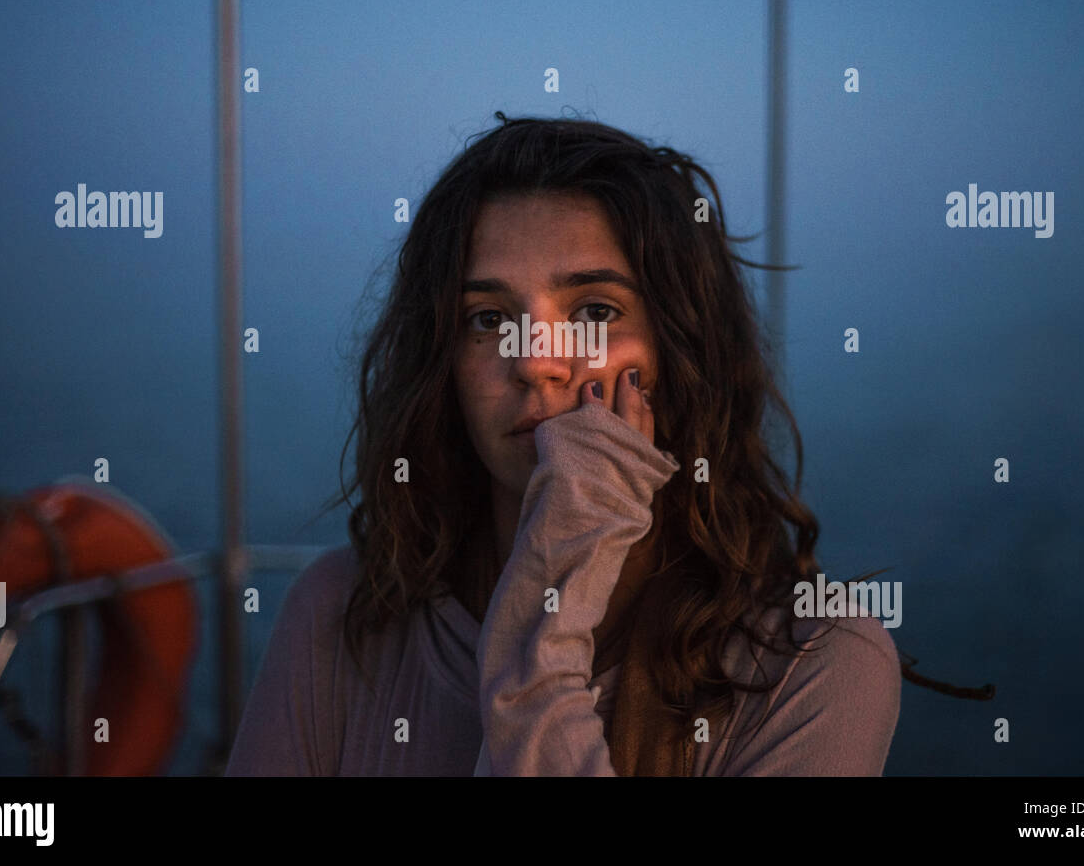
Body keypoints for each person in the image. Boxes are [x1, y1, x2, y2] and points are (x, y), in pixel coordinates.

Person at [225, 113, 901, 776]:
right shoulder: (339, 611)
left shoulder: (820, 663)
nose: (535, 361)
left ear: (682, 349)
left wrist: (537, 661)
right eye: (487, 320)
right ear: (445, 366)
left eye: (595, 312)